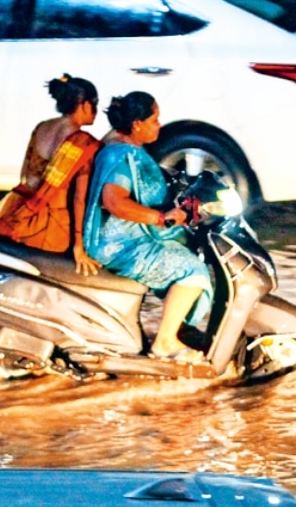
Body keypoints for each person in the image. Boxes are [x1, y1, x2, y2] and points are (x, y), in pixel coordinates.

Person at [83, 92, 213, 362]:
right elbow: (114, 201)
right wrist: (161, 218)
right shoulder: (121, 156)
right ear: (137, 124)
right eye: (154, 120)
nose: (159, 125)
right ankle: (164, 343)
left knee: (186, 251)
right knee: (192, 270)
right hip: (120, 245)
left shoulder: (125, 147)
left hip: (132, 238)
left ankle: (176, 328)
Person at [0, 75, 102, 276]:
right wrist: (79, 247)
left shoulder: (41, 127)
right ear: (85, 105)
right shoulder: (83, 142)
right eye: (95, 105)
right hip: (50, 228)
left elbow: (25, 175)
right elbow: (79, 199)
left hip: (15, 213)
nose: (96, 112)